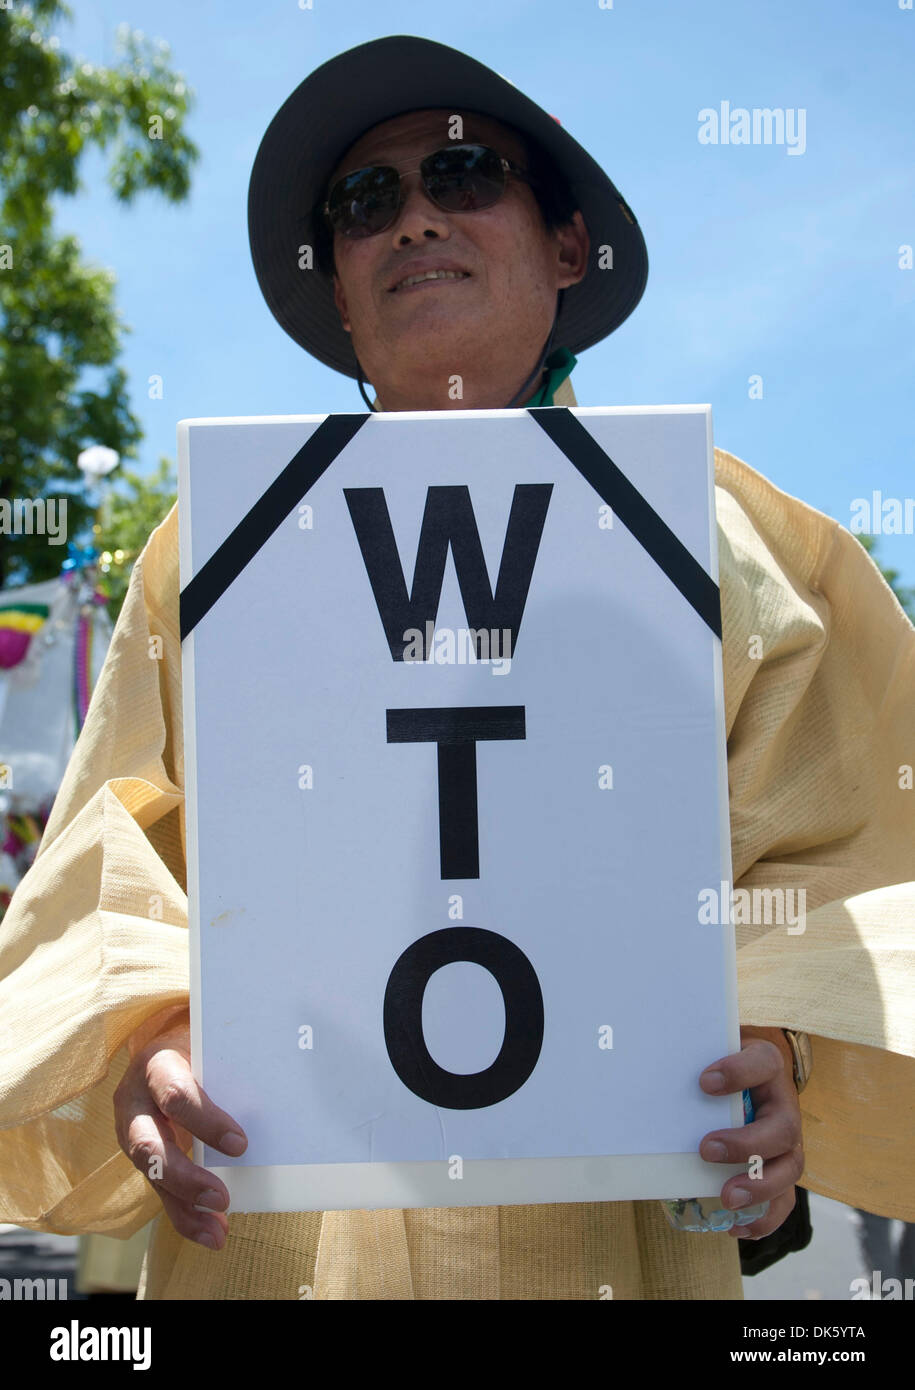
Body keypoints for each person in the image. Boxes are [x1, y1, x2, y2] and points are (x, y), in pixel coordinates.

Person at [0, 35, 912, 1301]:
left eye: (465, 174)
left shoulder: (733, 547)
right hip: (276, 1249)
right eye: (369, 201)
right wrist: (149, 1033)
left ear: (566, 248)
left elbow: (849, 871)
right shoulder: (202, 552)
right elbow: (108, 866)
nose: (416, 217)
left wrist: (773, 1045)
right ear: (340, 285)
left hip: (620, 1245)